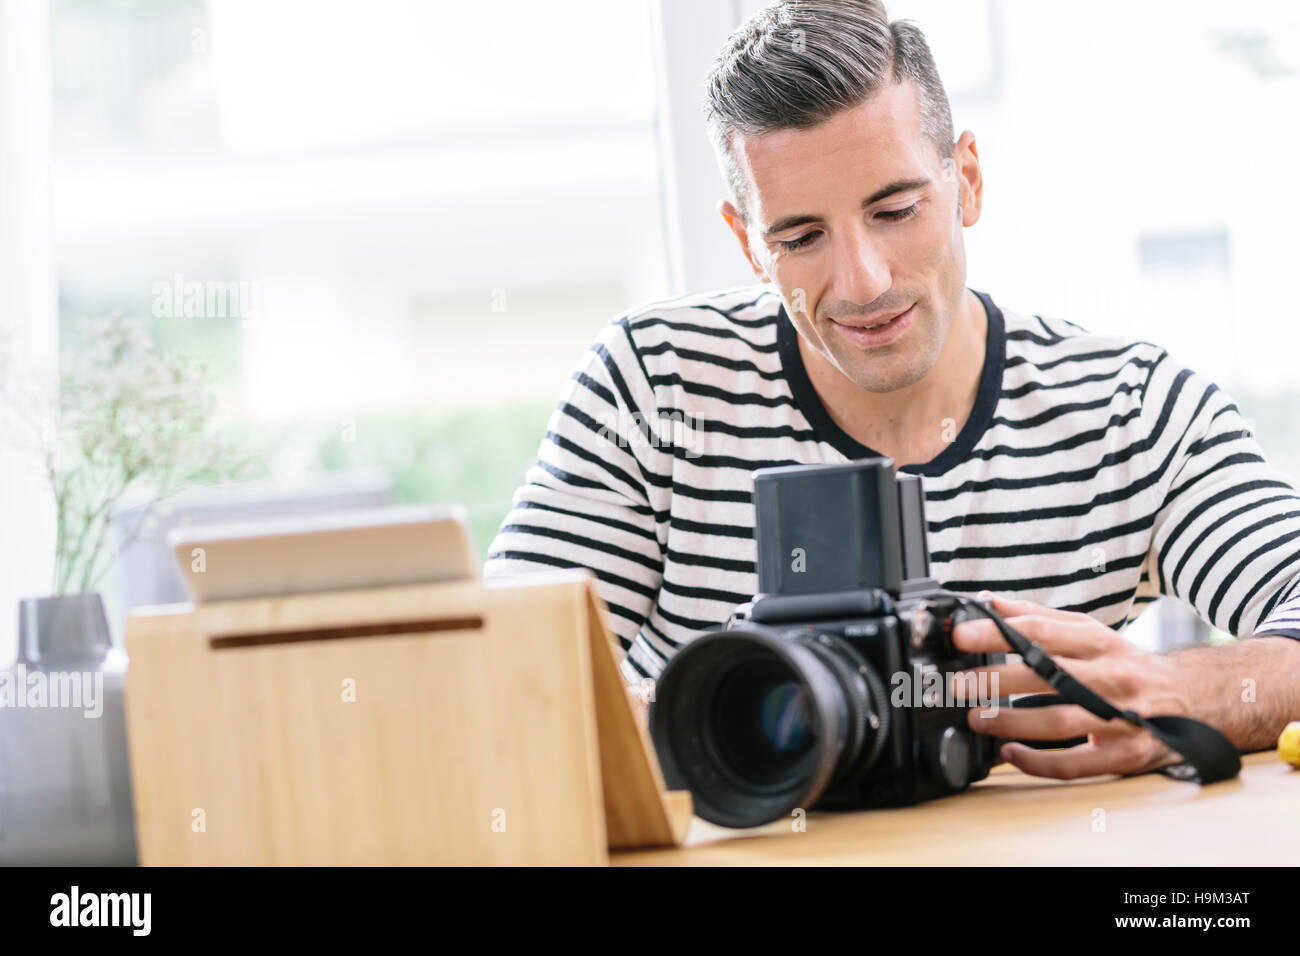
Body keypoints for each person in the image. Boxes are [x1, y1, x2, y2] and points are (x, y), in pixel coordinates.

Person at [484, 0, 1300, 780]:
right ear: (747, 245)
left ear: (967, 181)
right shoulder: (655, 385)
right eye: (800, 237)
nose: (862, 282)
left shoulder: (1132, 409)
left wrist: (1188, 694)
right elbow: (498, 674)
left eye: (896, 210)